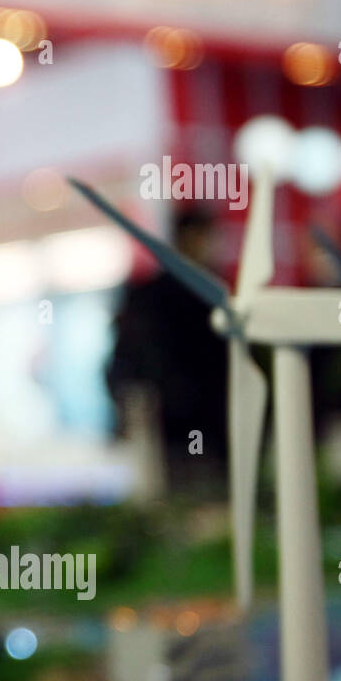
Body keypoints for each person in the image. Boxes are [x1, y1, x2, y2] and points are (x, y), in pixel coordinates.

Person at [106, 207, 227, 493]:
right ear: (186, 238)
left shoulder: (217, 292)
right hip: (173, 425)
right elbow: (129, 357)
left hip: (208, 426)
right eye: (205, 237)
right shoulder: (155, 296)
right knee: (185, 496)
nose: (211, 246)